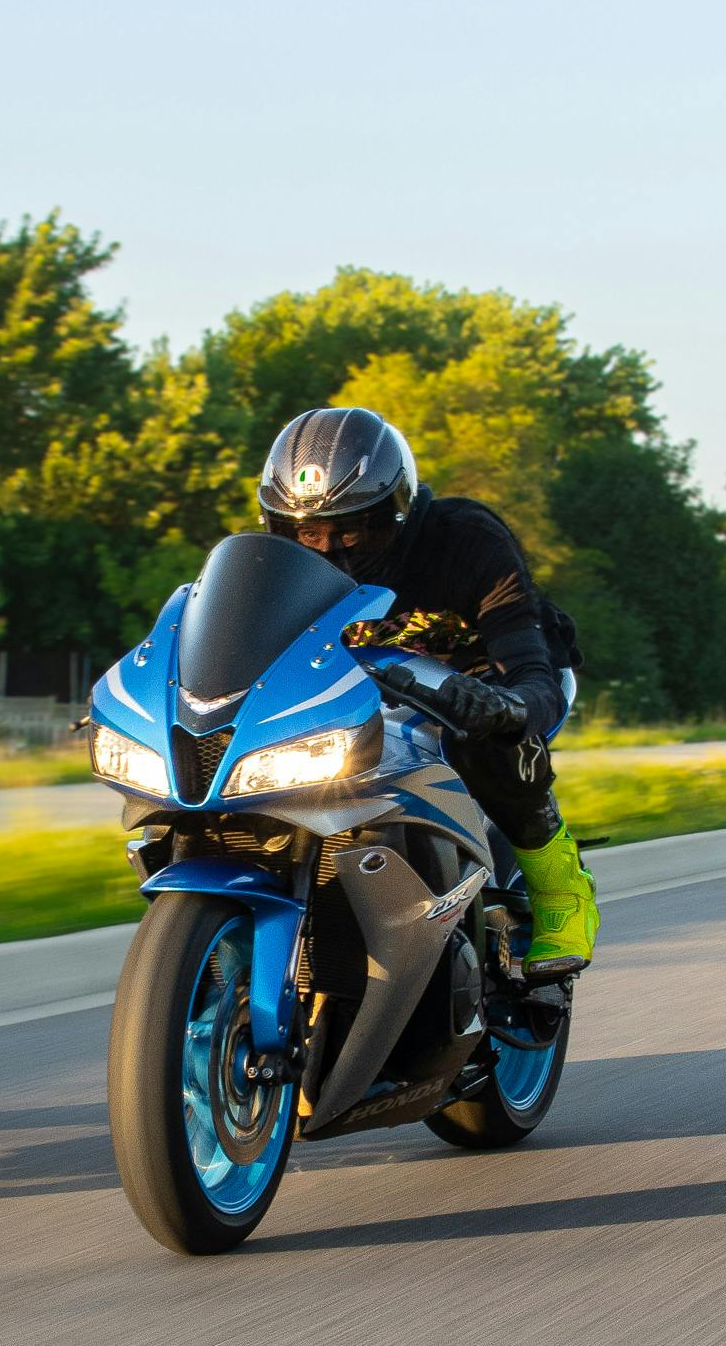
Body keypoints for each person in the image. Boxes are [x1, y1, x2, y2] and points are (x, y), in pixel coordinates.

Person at [255, 406, 602, 979]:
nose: (329, 549)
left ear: (393, 511)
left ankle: (561, 892)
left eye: (350, 529)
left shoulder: (465, 540)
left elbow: (528, 663)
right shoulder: (273, 568)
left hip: (491, 678)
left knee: (486, 739)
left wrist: (509, 707)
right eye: (308, 533)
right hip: (367, 689)